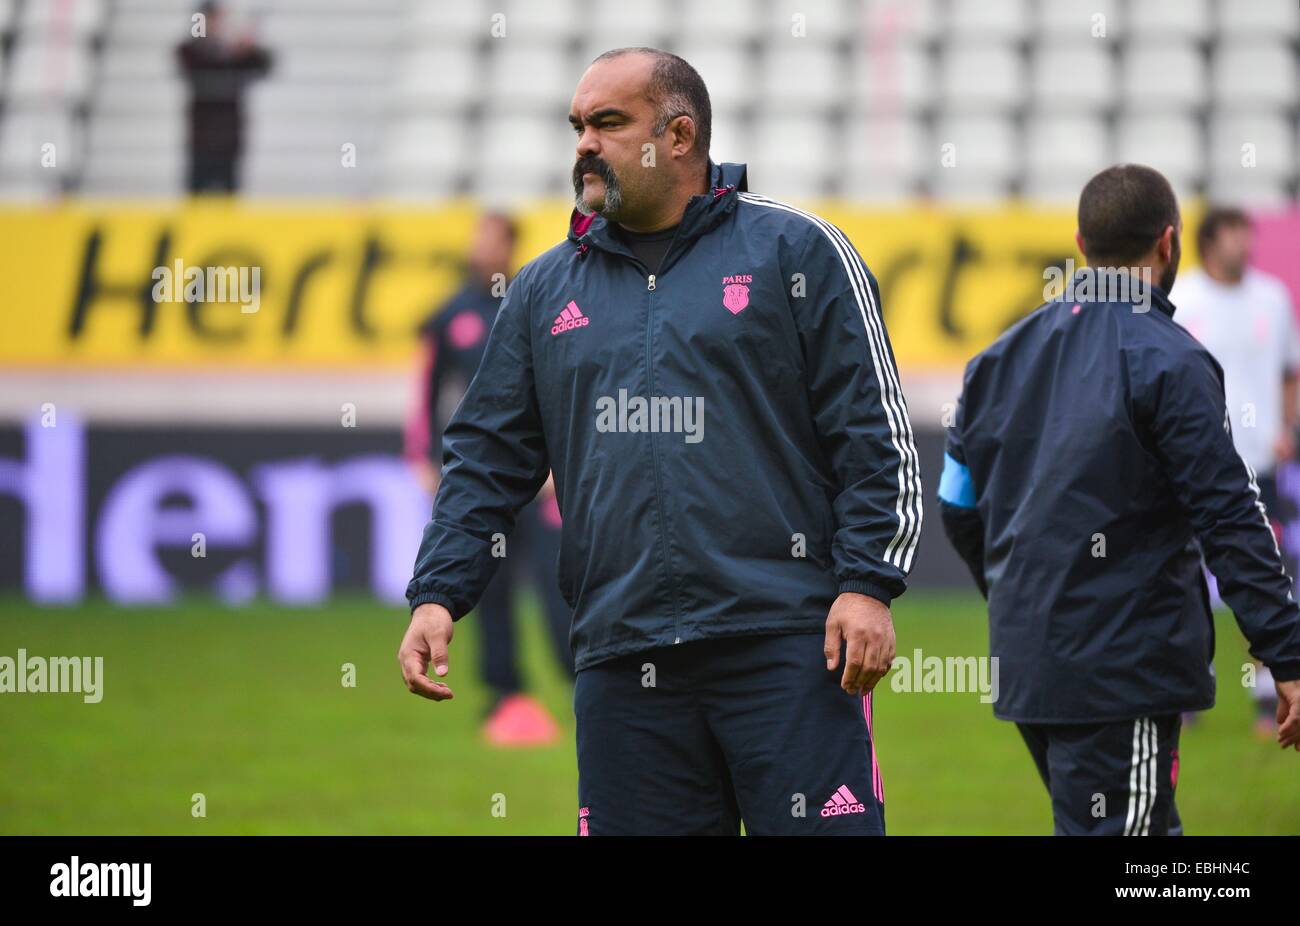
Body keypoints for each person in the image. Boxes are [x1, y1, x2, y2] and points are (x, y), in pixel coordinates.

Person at [398, 47, 922, 835]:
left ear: (679, 137)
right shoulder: (544, 289)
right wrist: (439, 591)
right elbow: (484, 458)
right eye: (577, 125)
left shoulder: (797, 251)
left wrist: (867, 583)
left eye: (608, 122)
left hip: (787, 644)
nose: (583, 143)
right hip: (620, 652)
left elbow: (872, 432)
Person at [939, 164, 1300, 836]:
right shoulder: (1172, 360)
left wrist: (1028, 595)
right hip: (1123, 671)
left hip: (1031, 662)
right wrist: (1288, 654)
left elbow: (957, 505)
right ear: (1169, 244)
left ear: (1080, 243)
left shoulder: (994, 360)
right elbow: (1228, 518)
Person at [404, 212, 574, 747]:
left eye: (490, 238)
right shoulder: (449, 315)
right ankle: (506, 697)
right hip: (485, 478)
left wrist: (555, 463)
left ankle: (586, 684)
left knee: (559, 588)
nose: (480, 246)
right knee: (490, 592)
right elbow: (427, 393)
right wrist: (424, 458)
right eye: (476, 236)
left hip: (540, 482)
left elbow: (563, 389)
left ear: (508, 245)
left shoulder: (534, 298)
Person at [1171, 207, 1300, 738]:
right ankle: (1185, 691)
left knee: (1266, 577)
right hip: (1196, 466)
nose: (1246, 244)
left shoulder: (1272, 296)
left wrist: (1288, 428)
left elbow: (1289, 373)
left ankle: (1268, 696)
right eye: (1234, 235)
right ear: (1207, 243)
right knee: (1182, 581)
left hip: (1259, 466)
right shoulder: (1185, 298)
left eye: (1248, 234)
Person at [176, 1, 272, 193]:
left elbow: (264, 65)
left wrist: (247, 47)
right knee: (196, 197)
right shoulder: (194, 51)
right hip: (201, 138)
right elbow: (188, 58)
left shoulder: (236, 54)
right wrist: (226, 50)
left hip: (229, 139)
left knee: (229, 199)